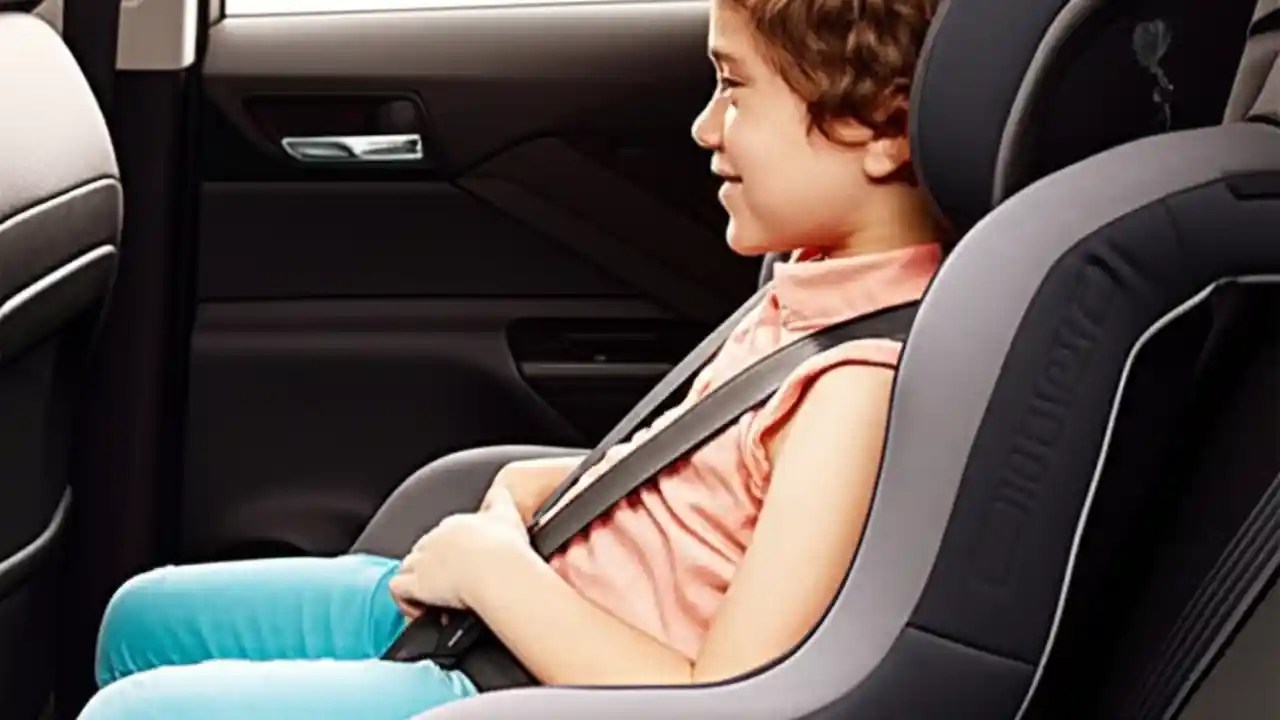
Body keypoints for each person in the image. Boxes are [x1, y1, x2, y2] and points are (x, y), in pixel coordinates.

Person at [78, 0, 946, 717]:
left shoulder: (854, 386)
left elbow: (727, 698)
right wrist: (559, 482)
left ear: (884, 125)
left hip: (534, 681)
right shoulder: (812, 281)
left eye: (734, 87)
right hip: (515, 614)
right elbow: (716, 502)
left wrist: (497, 577)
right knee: (140, 622)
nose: (703, 125)